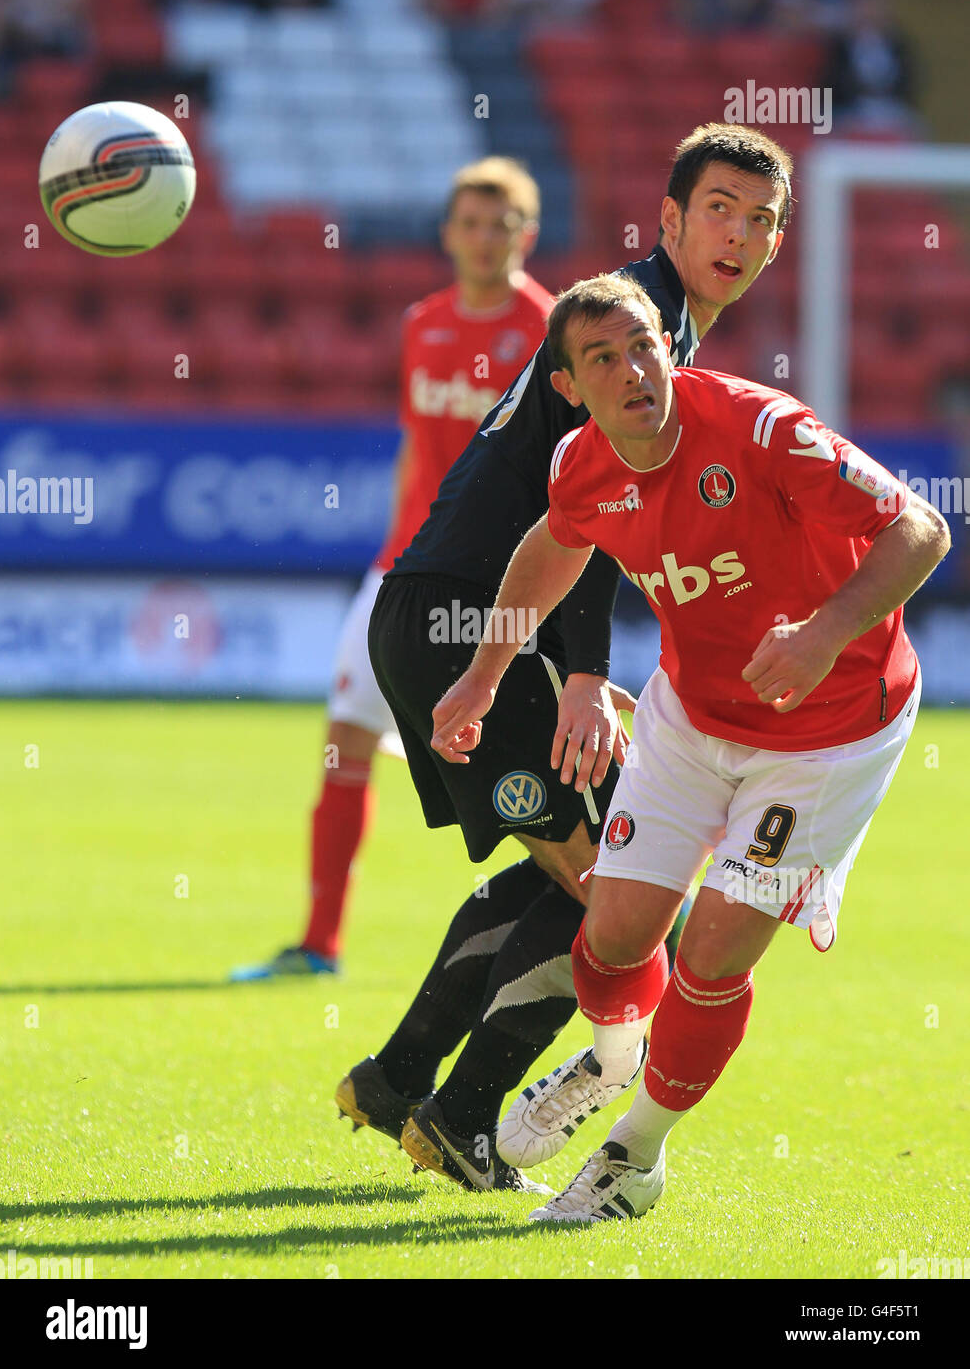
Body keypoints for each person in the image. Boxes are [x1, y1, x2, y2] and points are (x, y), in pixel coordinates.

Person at [428, 272, 949, 1220]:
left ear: (669, 349)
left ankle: (637, 1155)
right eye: (601, 359)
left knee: (711, 955)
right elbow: (556, 546)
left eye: (643, 347)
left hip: (829, 737)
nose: (632, 370)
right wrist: (482, 673)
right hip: (690, 718)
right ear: (570, 388)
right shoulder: (583, 463)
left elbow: (922, 530)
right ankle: (615, 1060)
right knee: (615, 935)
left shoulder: (762, 429)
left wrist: (826, 631)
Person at [336, 125, 796, 1190]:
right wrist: (580, 674)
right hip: (478, 620)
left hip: (441, 615)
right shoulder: (639, 327)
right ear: (670, 219)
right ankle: (462, 1117)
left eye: (759, 217)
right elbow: (589, 501)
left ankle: (400, 1080)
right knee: (624, 894)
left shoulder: (639, 321)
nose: (737, 232)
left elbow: (591, 506)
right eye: (716, 207)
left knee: (573, 872)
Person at [231, 157, 553, 980]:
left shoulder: (552, 331)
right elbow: (419, 445)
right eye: (471, 224)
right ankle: (318, 943)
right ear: (447, 233)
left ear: (528, 234)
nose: (484, 240)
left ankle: (623, 899)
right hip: (404, 568)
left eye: (501, 224)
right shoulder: (423, 323)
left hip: (494, 582)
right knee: (346, 743)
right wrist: (392, 544)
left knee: (506, 766)